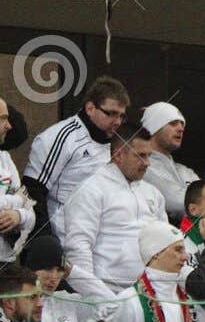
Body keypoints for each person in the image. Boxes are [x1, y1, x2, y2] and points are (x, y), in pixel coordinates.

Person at [59, 128, 167, 301]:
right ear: (118, 155)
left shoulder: (154, 194)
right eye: (140, 155)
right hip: (108, 294)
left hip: (151, 295)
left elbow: (165, 245)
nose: (147, 163)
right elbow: (79, 246)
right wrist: (95, 297)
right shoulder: (91, 189)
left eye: (149, 155)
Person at [23, 75, 129, 235]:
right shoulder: (60, 136)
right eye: (111, 113)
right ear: (90, 108)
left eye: (121, 116)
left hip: (103, 236)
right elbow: (33, 191)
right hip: (64, 237)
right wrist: (45, 243)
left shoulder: (116, 142)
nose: (118, 122)